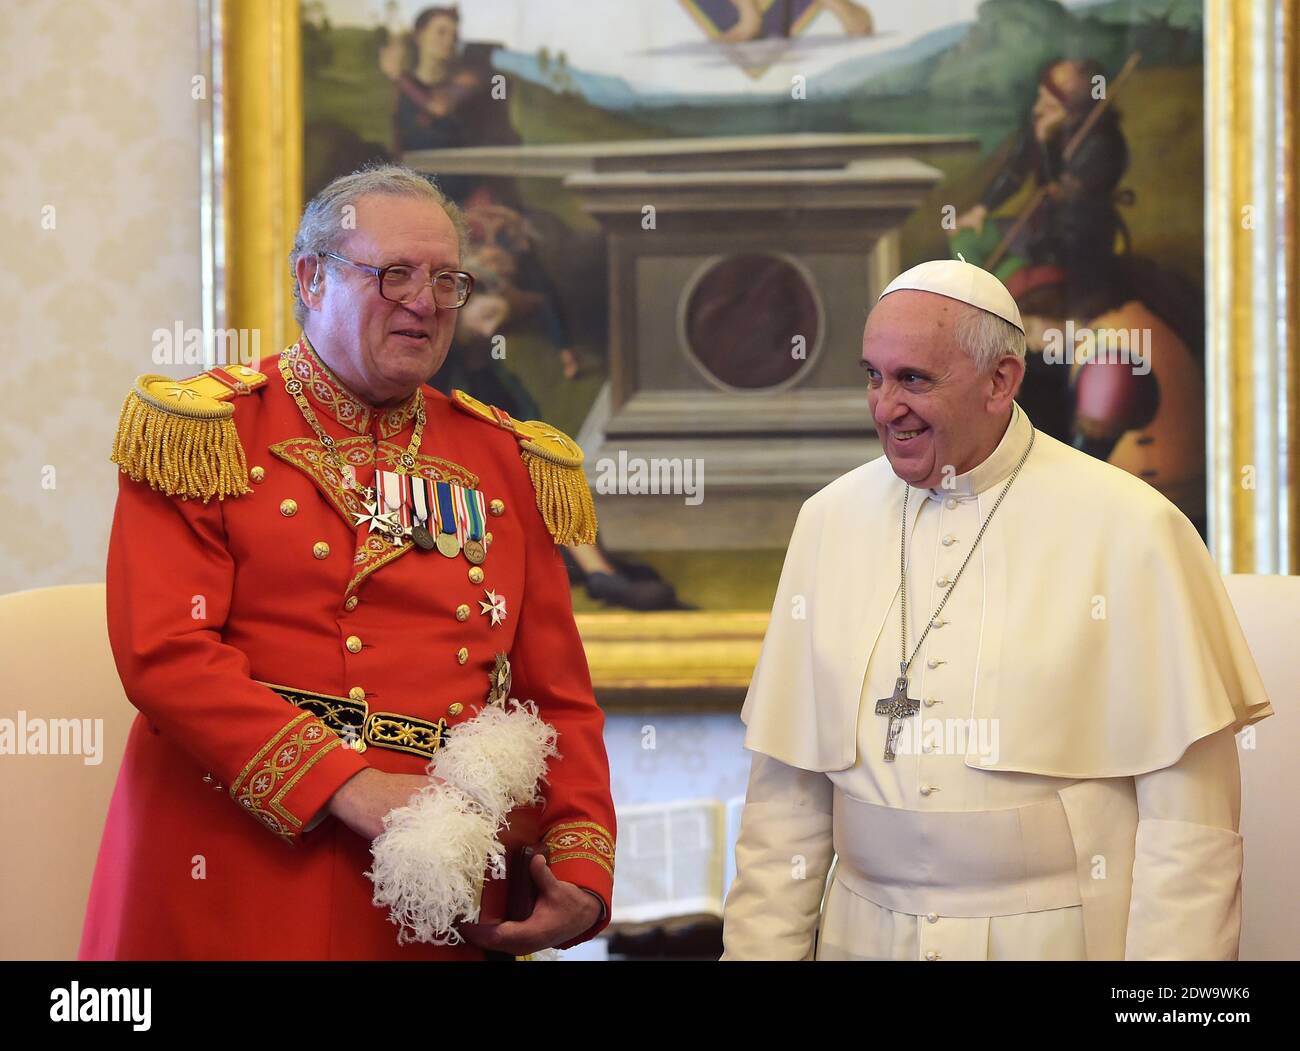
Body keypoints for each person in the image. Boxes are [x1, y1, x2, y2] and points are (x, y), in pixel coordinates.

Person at [81, 164, 616, 960]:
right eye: (393, 273)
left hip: (441, 885)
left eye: (446, 279)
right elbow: (166, 653)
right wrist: (347, 784)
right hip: (239, 863)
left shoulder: (506, 457)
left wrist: (580, 862)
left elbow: (554, 698)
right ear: (311, 278)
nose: (424, 301)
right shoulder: (203, 432)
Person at [721, 259, 1272, 961]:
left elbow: (1190, 834)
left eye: (914, 379)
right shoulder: (829, 521)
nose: (885, 406)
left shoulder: (1133, 528)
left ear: (1001, 380)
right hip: (863, 937)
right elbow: (785, 811)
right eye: (872, 375)